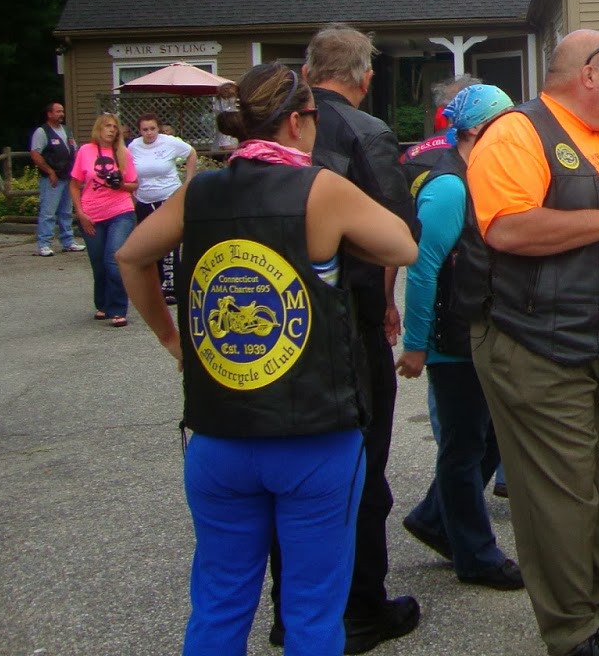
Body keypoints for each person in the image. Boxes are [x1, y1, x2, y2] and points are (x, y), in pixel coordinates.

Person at [115, 62, 420, 656]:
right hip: (312, 432)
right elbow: (402, 245)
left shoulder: (201, 190)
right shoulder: (322, 189)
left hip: (220, 432)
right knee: (311, 610)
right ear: (301, 121)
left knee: (220, 599)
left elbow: (131, 257)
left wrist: (173, 342)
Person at [467, 29, 599, 656]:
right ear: (588, 74)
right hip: (535, 340)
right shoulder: (517, 133)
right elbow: (507, 229)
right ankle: (571, 632)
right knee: (558, 494)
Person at [271, 25, 422, 654]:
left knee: (292, 473)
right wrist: (386, 299)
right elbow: (393, 233)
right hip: (346, 322)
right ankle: (360, 608)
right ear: (364, 77)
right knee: (360, 470)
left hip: (278, 318)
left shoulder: (277, 132)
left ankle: (289, 611)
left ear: (308, 73)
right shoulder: (367, 132)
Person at [397, 83, 524, 591]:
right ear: (477, 129)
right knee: (464, 444)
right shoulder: (451, 185)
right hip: (452, 336)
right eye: (505, 124)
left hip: (477, 326)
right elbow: (423, 269)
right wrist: (415, 342)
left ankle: (433, 517)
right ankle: (476, 555)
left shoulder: (478, 172)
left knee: (489, 435)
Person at [69, 112, 138, 327]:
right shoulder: (85, 151)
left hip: (120, 211)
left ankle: (118, 308)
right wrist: (80, 212)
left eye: (115, 126)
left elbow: (134, 184)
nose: (111, 130)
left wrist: (120, 185)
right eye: (107, 126)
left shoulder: (123, 153)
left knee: (112, 259)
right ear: (99, 128)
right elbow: (74, 184)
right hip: (92, 214)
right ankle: (102, 304)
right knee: (98, 262)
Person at [128, 113, 197, 304]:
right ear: (139, 131)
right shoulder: (134, 146)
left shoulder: (169, 142)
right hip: (144, 199)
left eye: (152, 129)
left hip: (167, 196)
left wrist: (188, 181)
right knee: (149, 243)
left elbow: (191, 153)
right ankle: (154, 285)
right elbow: (128, 169)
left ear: (158, 128)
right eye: (145, 130)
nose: (149, 133)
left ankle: (172, 287)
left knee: (168, 244)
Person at [30, 100, 84, 257]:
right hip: (52, 179)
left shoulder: (67, 131)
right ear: (49, 114)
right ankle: (44, 244)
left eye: (62, 111)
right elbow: (35, 154)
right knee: (48, 212)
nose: (61, 114)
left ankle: (68, 242)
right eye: (58, 111)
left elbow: (75, 150)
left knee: (66, 211)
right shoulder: (42, 132)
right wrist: (49, 171)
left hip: (67, 176)